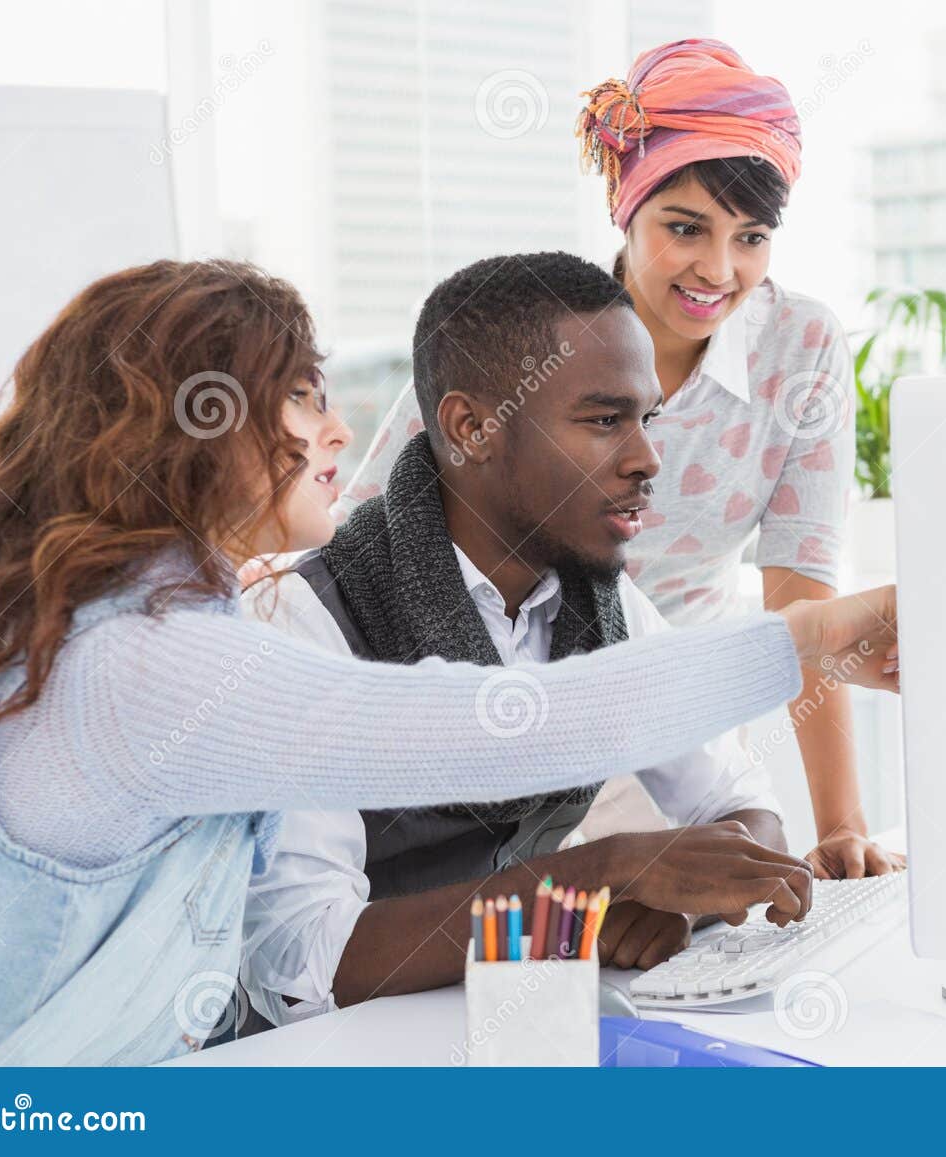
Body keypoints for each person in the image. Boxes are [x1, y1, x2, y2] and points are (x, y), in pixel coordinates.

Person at [0, 258, 898, 1066]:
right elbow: (498, 725)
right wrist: (815, 638)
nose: (340, 426)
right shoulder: (139, 664)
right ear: (189, 425)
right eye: (302, 397)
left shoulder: (136, 623)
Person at [346, 39, 897, 879]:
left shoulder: (801, 346)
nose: (719, 269)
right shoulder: (532, 334)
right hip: (509, 720)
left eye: (750, 237)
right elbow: (378, 523)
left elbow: (803, 597)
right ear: (625, 208)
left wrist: (842, 824)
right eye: (685, 228)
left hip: (683, 731)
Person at [241, 252, 804, 1024]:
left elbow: (740, 803)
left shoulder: (603, 598)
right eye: (605, 420)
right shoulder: (305, 619)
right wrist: (597, 882)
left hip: (513, 1035)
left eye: (647, 419)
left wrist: (680, 904)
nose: (646, 459)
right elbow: (308, 960)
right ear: (472, 429)